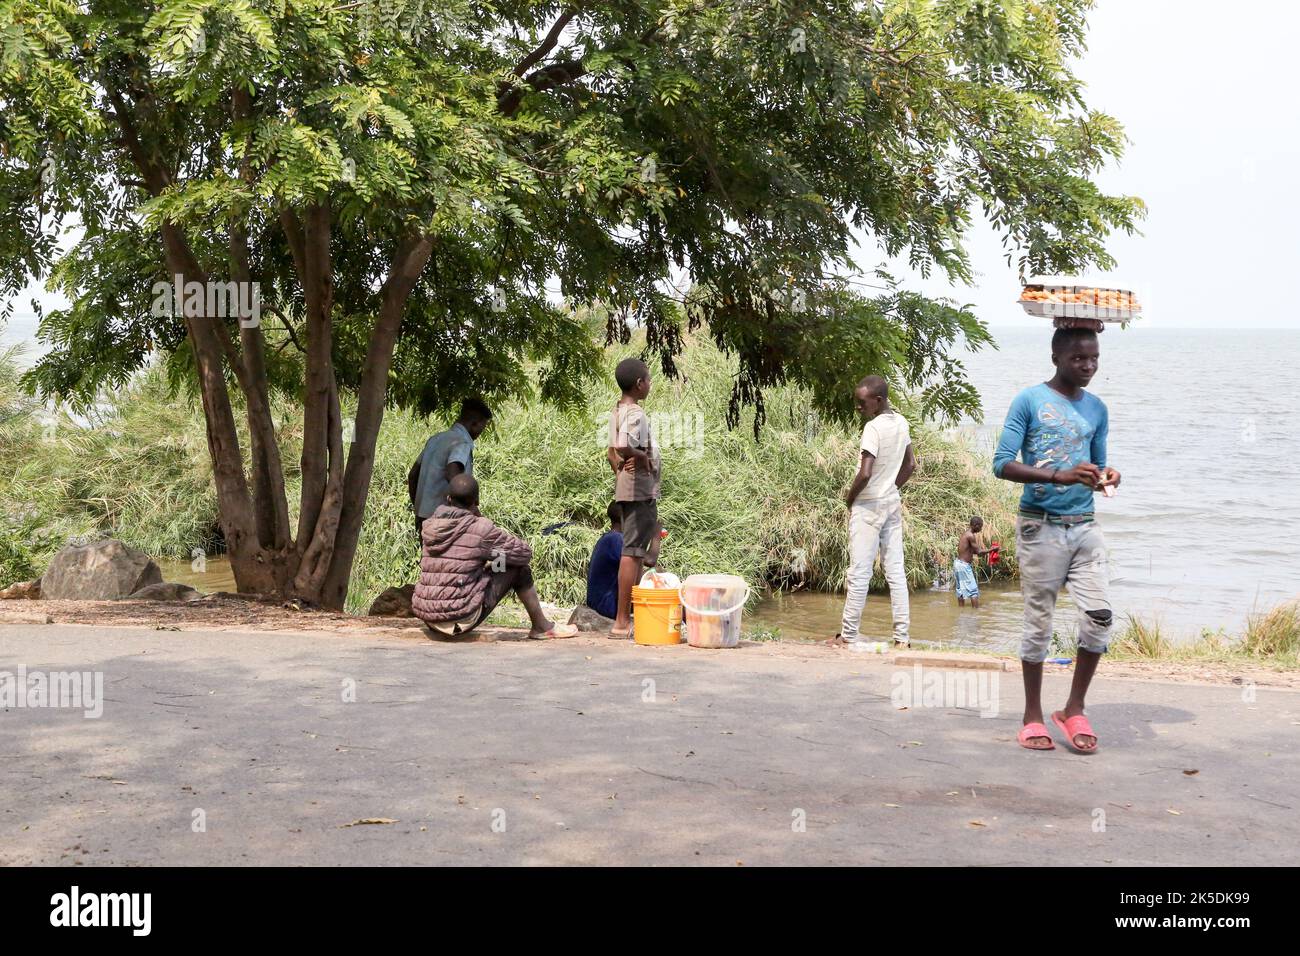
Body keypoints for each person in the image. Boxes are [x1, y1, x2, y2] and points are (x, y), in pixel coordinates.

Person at [992, 325, 1120, 754]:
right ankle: (1032, 716)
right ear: (1056, 359)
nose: (1088, 366)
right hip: (1040, 525)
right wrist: (1057, 475)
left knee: (1100, 618)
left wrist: (1107, 477)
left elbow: (1098, 467)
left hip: (1085, 525)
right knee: (1039, 625)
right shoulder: (1029, 401)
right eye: (1078, 359)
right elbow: (1002, 464)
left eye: (1094, 358)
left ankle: (1073, 708)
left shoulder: (1098, 409)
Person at [411, 474, 577, 639]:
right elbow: (524, 553)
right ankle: (542, 626)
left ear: (448, 499)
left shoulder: (430, 525)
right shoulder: (480, 528)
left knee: (498, 558)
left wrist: (495, 560)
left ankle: (540, 624)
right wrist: (483, 522)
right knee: (519, 569)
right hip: (459, 619)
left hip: (429, 618)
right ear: (476, 502)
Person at [831, 375, 916, 651]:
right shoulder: (902, 423)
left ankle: (848, 635)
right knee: (896, 572)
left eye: (862, 403)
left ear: (878, 401)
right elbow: (911, 465)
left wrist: (849, 498)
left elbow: (865, 473)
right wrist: (891, 487)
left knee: (860, 572)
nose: (859, 408)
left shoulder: (873, 428)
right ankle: (902, 638)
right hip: (891, 502)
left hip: (868, 506)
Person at [606, 357, 661, 638]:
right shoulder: (636, 414)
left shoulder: (618, 411)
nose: (650, 384)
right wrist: (641, 457)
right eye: (649, 380)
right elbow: (621, 445)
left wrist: (620, 469)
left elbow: (611, 452)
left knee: (636, 552)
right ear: (640, 384)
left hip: (629, 489)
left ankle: (630, 617)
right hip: (639, 490)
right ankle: (621, 621)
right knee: (631, 553)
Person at [409, 399, 492, 541]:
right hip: (446, 522)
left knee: (429, 562)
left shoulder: (436, 439)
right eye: (481, 429)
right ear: (474, 424)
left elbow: (412, 475)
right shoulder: (462, 443)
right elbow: (452, 473)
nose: (480, 433)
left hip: (424, 518)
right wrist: (473, 509)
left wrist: (419, 508)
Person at [585, 502, 624, 620]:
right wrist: (654, 537)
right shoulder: (616, 539)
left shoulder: (610, 537)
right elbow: (649, 560)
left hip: (600, 602)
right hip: (606, 604)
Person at [954, 516, 991, 608]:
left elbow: (971, 551)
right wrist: (992, 549)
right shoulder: (970, 535)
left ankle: (961, 611)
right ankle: (975, 613)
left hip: (958, 564)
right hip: (963, 566)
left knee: (960, 591)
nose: (981, 529)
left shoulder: (966, 534)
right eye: (980, 526)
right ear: (975, 525)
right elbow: (979, 552)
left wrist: (988, 550)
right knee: (973, 591)